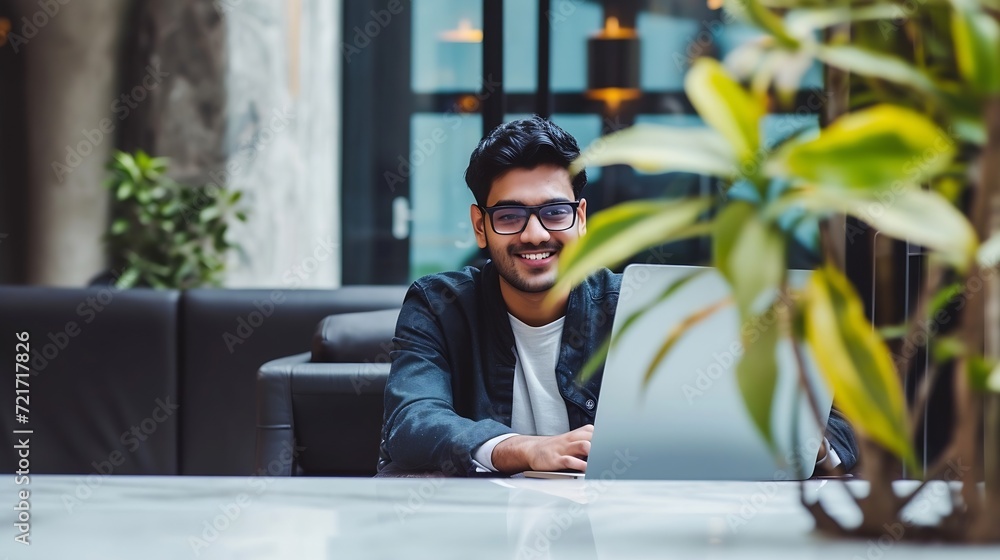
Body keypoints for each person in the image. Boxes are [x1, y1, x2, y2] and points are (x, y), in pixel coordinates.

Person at [377, 116, 857, 477]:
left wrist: (806, 440)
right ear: (480, 225)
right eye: (509, 216)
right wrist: (522, 448)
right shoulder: (438, 306)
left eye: (555, 213)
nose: (534, 234)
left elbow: (841, 432)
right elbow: (411, 421)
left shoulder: (637, 305)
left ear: (581, 219)